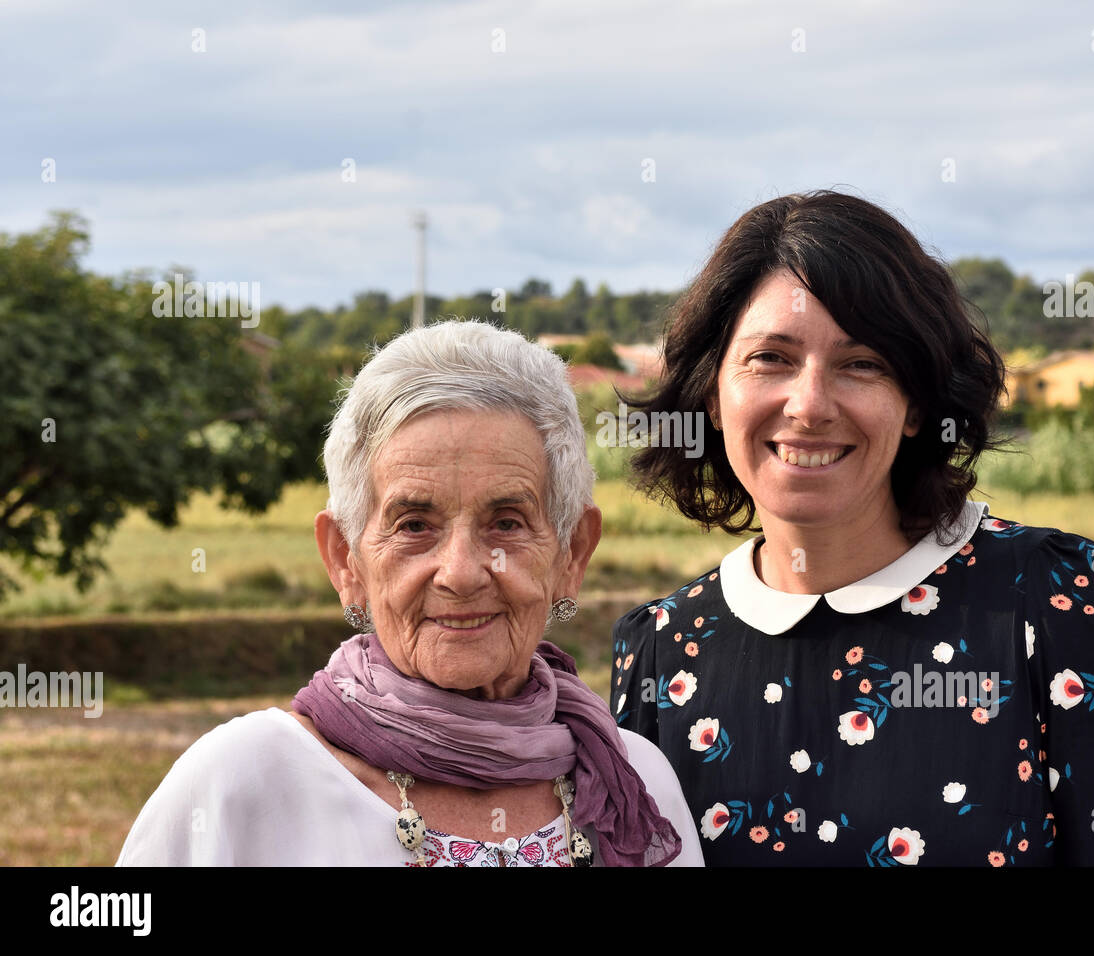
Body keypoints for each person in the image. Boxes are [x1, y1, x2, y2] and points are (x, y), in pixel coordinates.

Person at [610, 190, 1094, 866]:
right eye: (771, 358)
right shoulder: (660, 650)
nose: (810, 405)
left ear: (916, 403)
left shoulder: (1056, 599)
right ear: (712, 394)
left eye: (862, 364)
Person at [118, 320, 702, 867]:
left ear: (572, 554)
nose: (461, 572)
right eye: (414, 525)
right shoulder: (242, 782)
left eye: (506, 522)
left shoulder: (637, 785)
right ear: (345, 558)